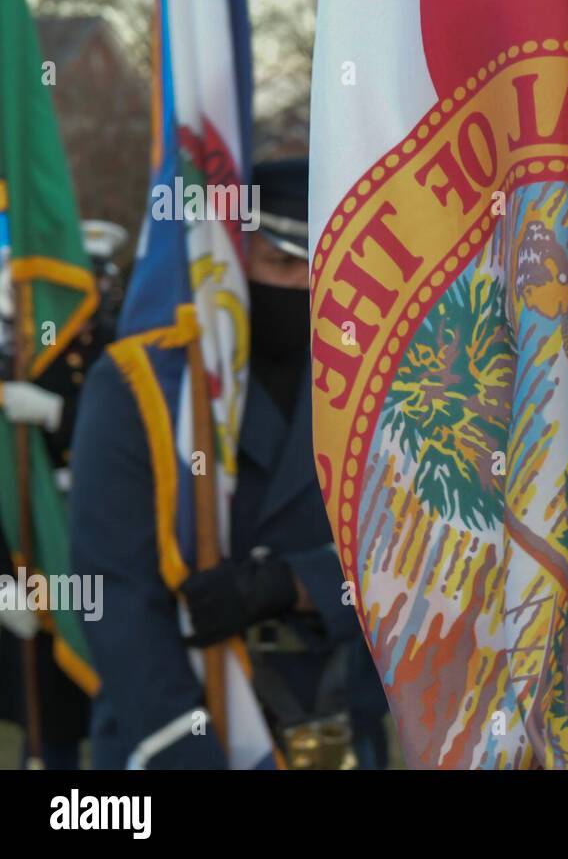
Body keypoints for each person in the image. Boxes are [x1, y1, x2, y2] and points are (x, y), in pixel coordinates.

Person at [70, 159, 387, 768]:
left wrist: (297, 584)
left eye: (317, 268)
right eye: (282, 264)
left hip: (333, 717)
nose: (300, 289)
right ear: (234, 262)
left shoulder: (372, 376)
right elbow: (114, 590)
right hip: (181, 721)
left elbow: (412, 554)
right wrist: (182, 746)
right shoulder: (145, 383)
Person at [0, 219, 127, 769]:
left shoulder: (124, 352)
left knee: (119, 700)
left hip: (111, 544)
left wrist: (56, 414)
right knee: (49, 714)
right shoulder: (15, 362)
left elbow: (138, 434)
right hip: (35, 555)